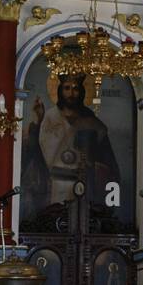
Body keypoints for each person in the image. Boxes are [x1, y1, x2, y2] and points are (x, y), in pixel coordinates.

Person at [25, 74, 121, 208]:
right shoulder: (49, 117)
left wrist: (93, 165)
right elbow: (36, 151)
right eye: (67, 88)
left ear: (82, 92)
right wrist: (38, 121)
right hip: (54, 186)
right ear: (59, 90)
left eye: (75, 89)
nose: (71, 93)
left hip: (84, 183)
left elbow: (106, 159)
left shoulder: (91, 120)